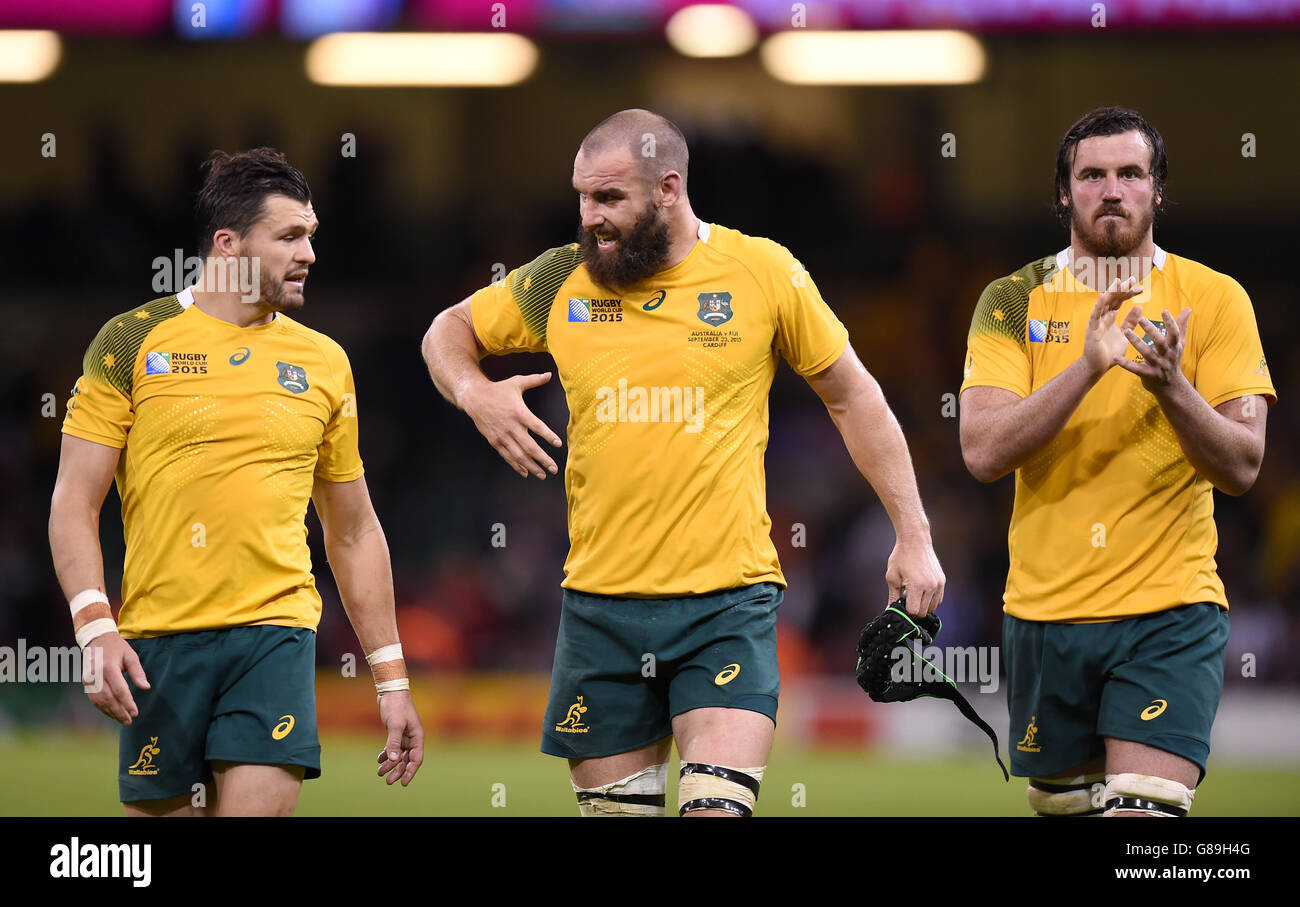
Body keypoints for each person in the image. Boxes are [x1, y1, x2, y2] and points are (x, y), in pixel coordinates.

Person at [422, 109, 944, 817]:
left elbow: (855, 397)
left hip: (726, 606)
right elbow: (447, 330)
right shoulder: (560, 280)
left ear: (669, 189)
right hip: (599, 613)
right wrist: (474, 392)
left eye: (609, 199)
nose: (589, 217)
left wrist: (912, 534)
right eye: (582, 197)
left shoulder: (762, 272)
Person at [49, 148, 423, 816]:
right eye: (288, 237)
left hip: (273, 636)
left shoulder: (324, 363)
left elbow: (354, 528)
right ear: (227, 244)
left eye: (310, 235)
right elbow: (74, 501)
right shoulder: (130, 342)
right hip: (158, 645)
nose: (308, 253)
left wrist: (391, 677)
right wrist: (95, 628)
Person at [959, 107, 1275, 816]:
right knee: (1065, 807)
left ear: (1157, 189)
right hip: (1044, 616)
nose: (1112, 189)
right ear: (1063, 194)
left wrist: (1172, 387)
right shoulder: (1012, 299)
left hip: (1169, 611)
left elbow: (1244, 464)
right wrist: (1088, 368)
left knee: (1143, 818)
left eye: (1131, 173)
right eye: (1092, 174)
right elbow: (981, 449)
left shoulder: (1216, 299)